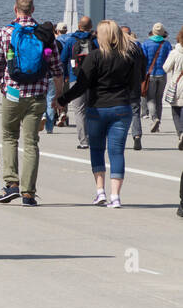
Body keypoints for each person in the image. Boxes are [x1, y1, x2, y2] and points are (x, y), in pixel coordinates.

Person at [56, 19, 147, 209]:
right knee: (117, 152)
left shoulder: (94, 57)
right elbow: (135, 85)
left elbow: (81, 85)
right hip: (121, 109)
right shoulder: (128, 57)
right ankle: (116, 196)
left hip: (97, 109)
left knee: (97, 149)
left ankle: (100, 192)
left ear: (102, 35)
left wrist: (62, 100)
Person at [0, 0, 64, 206]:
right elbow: (57, 68)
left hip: (12, 93)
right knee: (31, 142)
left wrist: (1, 86)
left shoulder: (4, 32)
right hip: (37, 95)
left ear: (15, 9)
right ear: (33, 9)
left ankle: (11, 184)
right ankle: (28, 193)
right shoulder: (45, 35)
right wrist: (57, 96)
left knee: (10, 137)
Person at [58, 16, 96, 148]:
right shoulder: (95, 41)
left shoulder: (70, 41)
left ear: (79, 26)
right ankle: (96, 138)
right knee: (92, 109)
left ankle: (84, 141)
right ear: (90, 27)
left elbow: (62, 60)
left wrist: (65, 77)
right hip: (93, 80)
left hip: (75, 79)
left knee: (79, 111)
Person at [142, 22, 172, 135]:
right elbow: (169, 58)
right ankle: (158, 124)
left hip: (150, 74)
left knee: (150, 99)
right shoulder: (167, 44)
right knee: (159, 99)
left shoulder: (146, 43)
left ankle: (154, 119)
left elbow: (143, 59)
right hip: (162, 74)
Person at [163, 25, 183, 151]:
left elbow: (166, 67)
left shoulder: (175, 53)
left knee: (175, 110)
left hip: (178, 82)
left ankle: (180, 132)